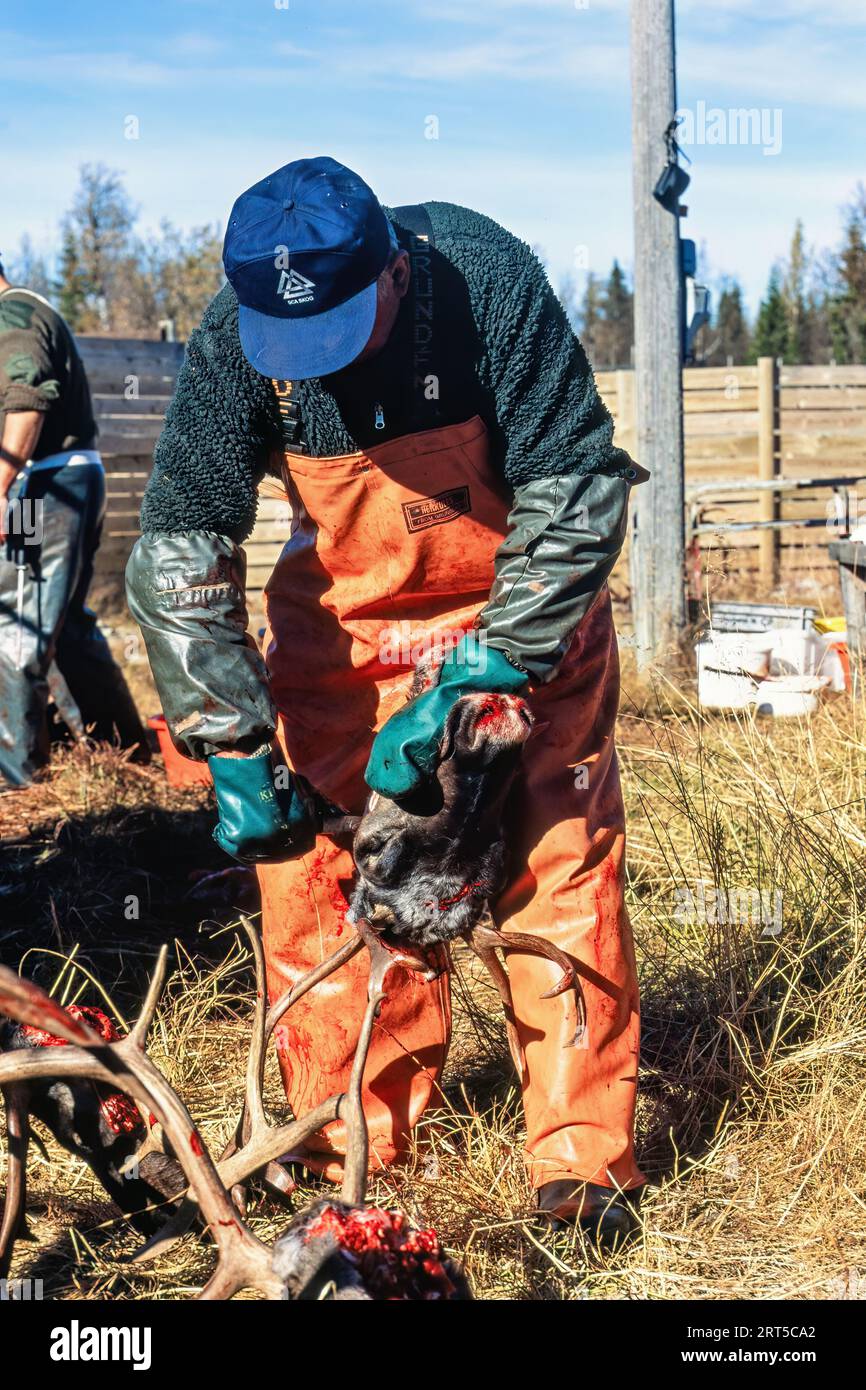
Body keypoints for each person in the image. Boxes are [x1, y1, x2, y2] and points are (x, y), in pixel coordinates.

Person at [127, 156, 649, 1239]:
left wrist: (485, 668)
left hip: (519, 618)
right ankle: (343, 1137)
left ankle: (580, 1163)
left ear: (394, 271)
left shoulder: (484, 278)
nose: (316, 358)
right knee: (321, 884)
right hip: (348, 637)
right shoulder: (239, 333)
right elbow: (182, 540)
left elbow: (576, 482)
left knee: (555, 867)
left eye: (340, 326)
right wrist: (227, 738)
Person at [0, 258, 149, 787]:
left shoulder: (12, 314)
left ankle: (20, 783)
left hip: (44, 487)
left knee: (16, 629)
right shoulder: (21, 313)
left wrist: (0, 487)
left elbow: (26, 403)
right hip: (55, 482)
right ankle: (128, 755)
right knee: (64, 627)